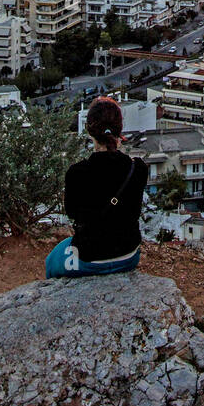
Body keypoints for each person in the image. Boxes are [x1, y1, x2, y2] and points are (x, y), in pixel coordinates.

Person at [45, 96, 148, 278]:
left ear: (89, 130)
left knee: (52, 261)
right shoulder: (138, 169)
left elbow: (72, 213)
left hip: (90, 256)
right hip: (128, 255)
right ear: (120, 130)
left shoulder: (77, 173)